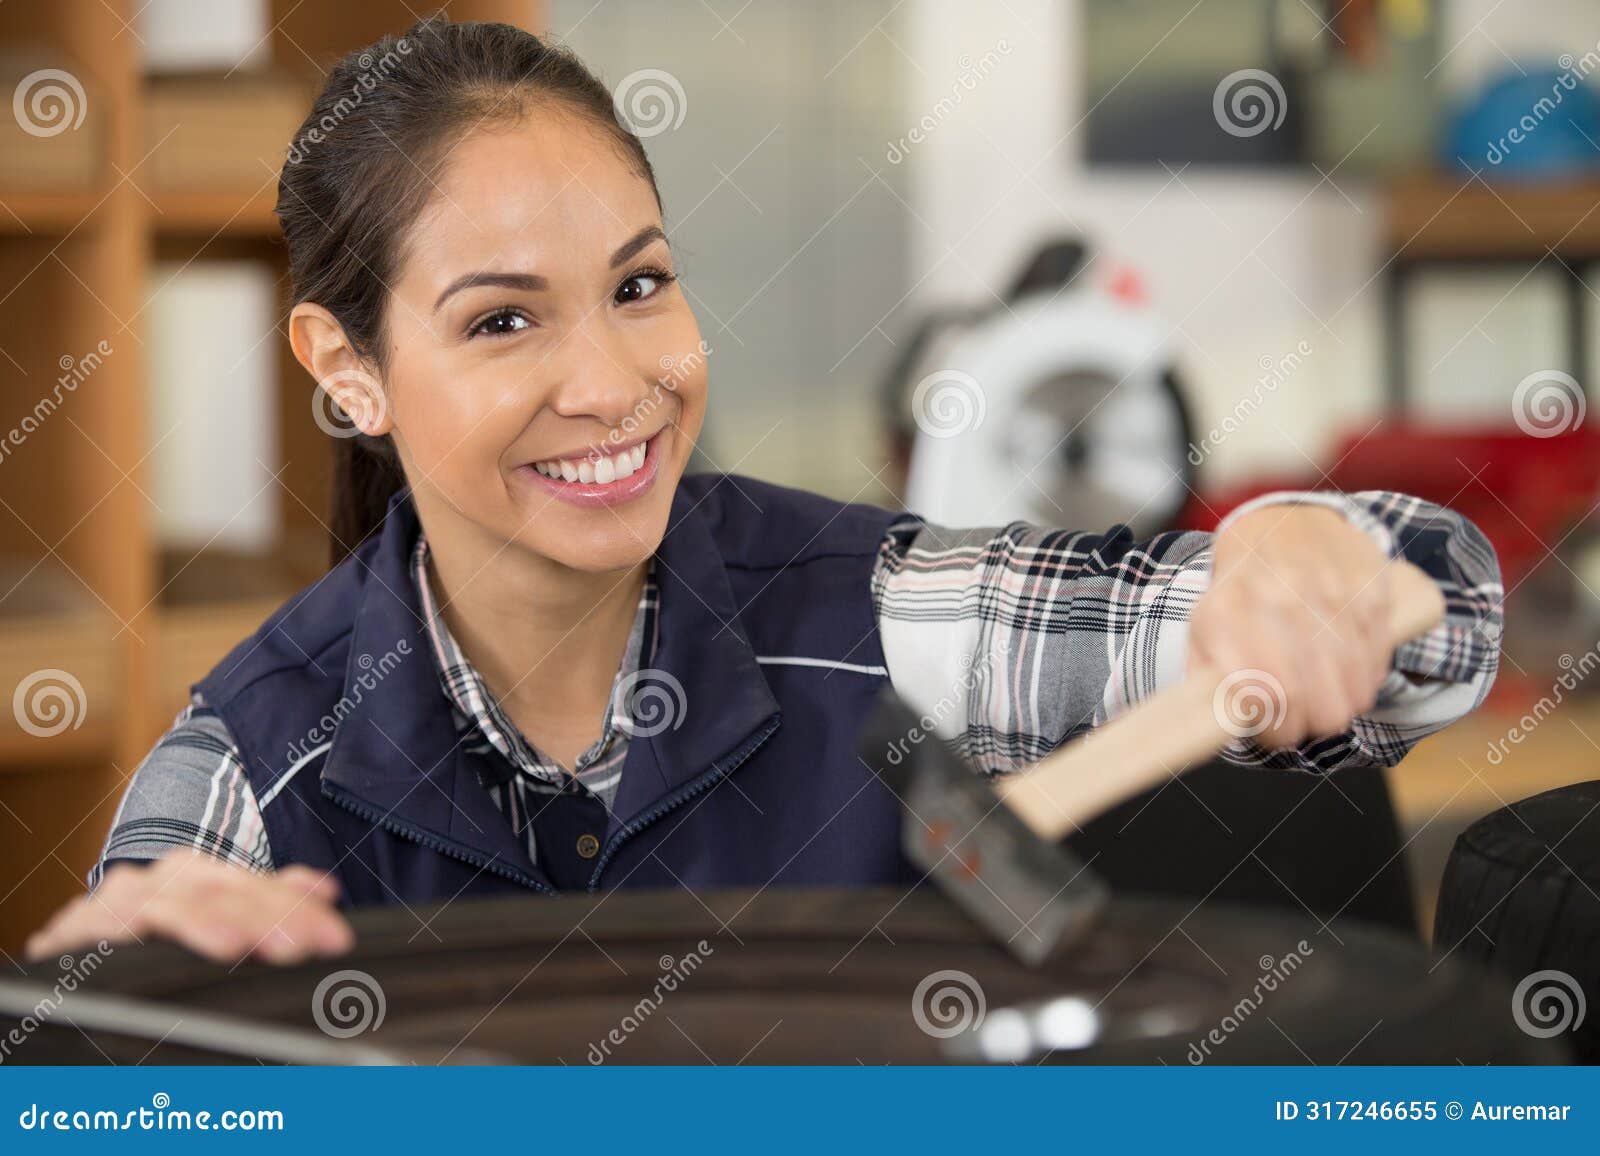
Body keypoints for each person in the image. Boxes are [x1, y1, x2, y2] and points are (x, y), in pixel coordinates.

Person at [25, 17, 1501, 967]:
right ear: (345, 367)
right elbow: (101, 1059)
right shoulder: (252, 764)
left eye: (640, 286)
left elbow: (1427, 630)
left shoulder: (880, 619)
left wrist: (1318, 554)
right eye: (501, 319)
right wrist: (122, 1011)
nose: (613, 383)